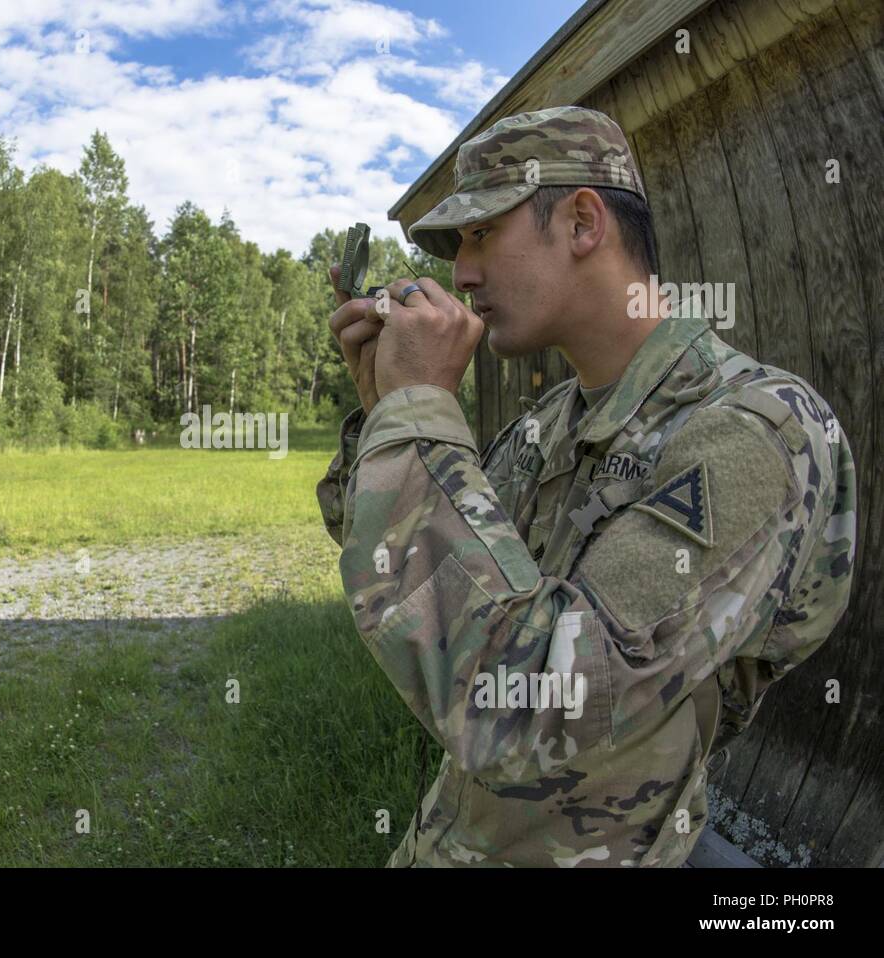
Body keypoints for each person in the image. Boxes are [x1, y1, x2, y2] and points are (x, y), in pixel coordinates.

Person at [317, 106, 857, 867]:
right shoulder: (554, 425)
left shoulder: (755, 433)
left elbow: (525, 704)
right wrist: (388, 408)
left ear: (581, 223)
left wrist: (420, 416)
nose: (461, 273)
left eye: (481, 234)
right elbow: (409, 569)